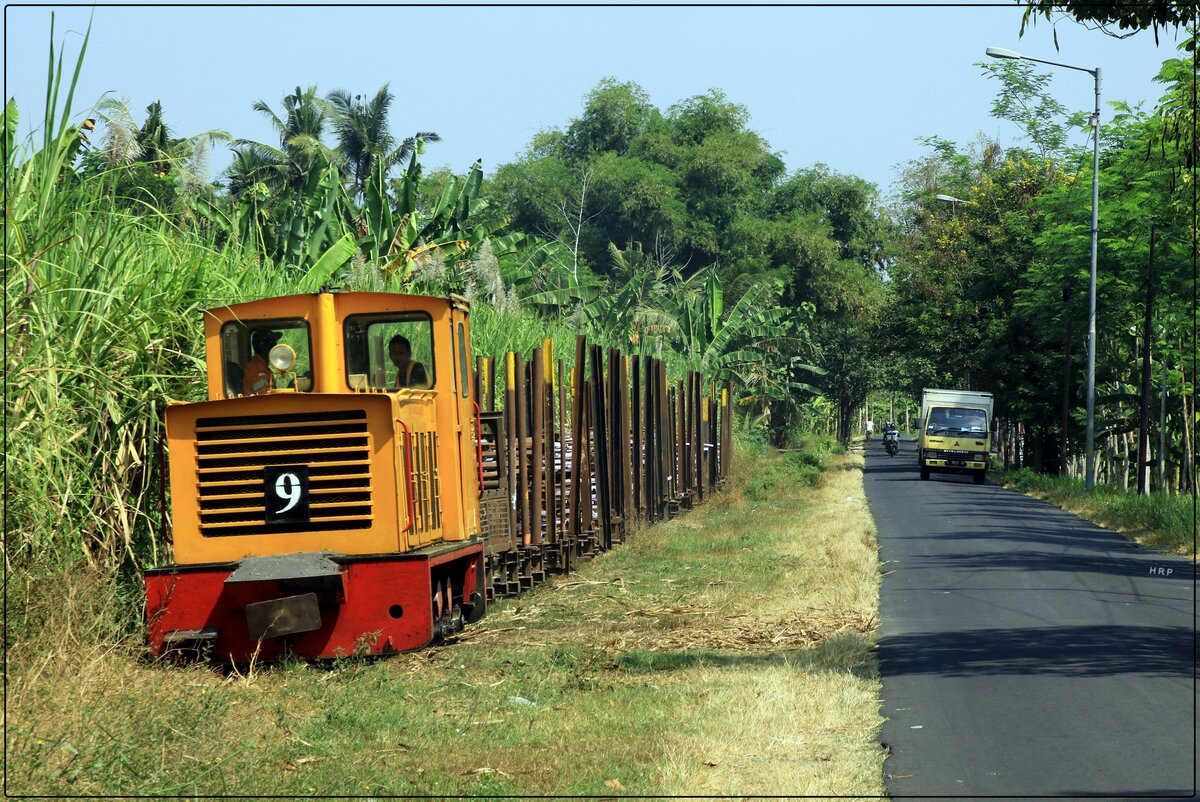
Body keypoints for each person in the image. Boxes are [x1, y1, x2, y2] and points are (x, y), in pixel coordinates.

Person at [243, 329, 281, 396]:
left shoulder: (261, 366)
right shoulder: (258, 369)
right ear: (264, 347)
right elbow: (264, 397)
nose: (275, 347)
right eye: (273, 344)